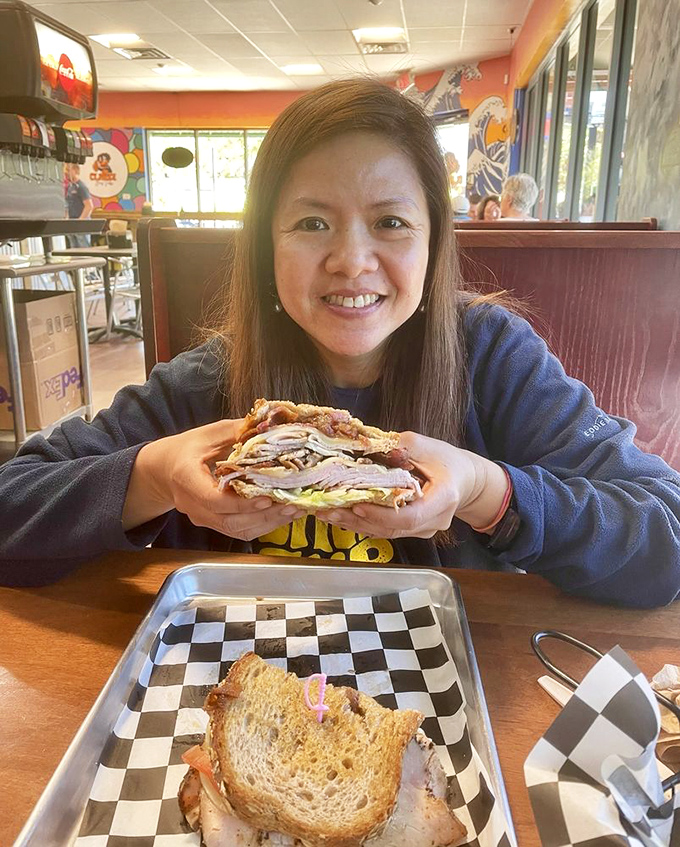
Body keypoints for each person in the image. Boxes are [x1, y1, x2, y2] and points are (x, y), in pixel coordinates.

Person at [0, 79, 679, 608]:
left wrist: (487, 491)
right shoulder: (210, 381)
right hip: (234, 686)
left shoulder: (493, 360)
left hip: (446, 696)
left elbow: (664, 534)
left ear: (434, 243)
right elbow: (12, 504)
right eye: (312, 222)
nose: (352, 260)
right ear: (267, 246)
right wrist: (152, 474)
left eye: (390, 221)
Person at [65, 163, 93, 248]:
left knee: (84, 250)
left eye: (68, 170)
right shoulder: (70, 187)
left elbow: (89, 206)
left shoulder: (81, 187)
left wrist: (80, 220)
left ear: (75, 170)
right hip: (71, 222)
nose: (66, 173)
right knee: (74, 250)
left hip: (81, 224)